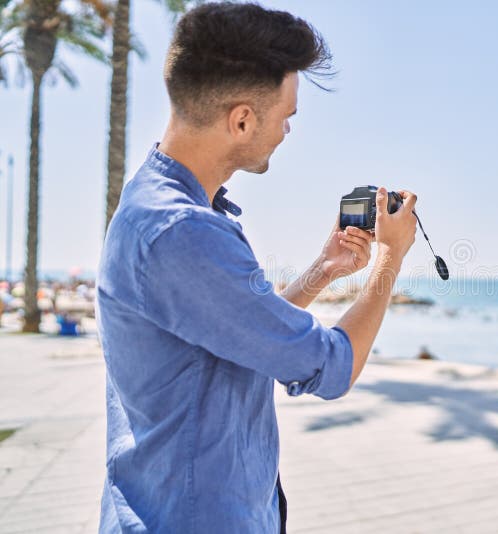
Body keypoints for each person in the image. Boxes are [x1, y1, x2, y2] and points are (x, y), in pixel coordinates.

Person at [95, 4, 418, 533]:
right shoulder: (183, 232)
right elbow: (333, 367)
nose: (289, 130)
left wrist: (324, 269)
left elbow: (241, 337)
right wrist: (389, 259)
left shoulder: (159, 203)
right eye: (287, 115)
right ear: (242, 118)